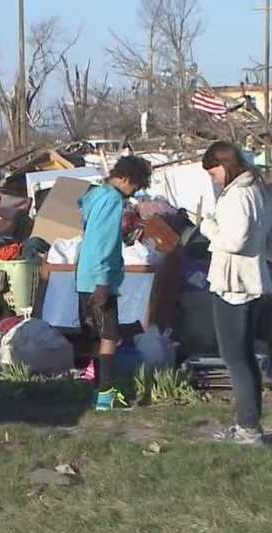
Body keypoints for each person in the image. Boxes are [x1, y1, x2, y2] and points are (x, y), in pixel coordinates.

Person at [199, 141, 272, 446]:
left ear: (225, 164)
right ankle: (248, 424)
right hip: (252, 279)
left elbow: (234, 240)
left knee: (235, 358)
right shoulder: (259, 190)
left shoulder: (238, 195)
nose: (213, 178)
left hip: (234, 283)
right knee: (244, 356)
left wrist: (207, 227)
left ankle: (248, 429)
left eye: (213, 171)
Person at [76, 155, 152, 411]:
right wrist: (103, 281)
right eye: (135, 186)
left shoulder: (95, 196)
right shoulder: (112, 201)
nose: (134, 193)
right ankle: (106, 393)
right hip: (100, 276)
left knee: (96, 336)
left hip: (85, 273)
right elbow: (105, 242)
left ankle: (98, 387)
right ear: (125, 179)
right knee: (110, 335)